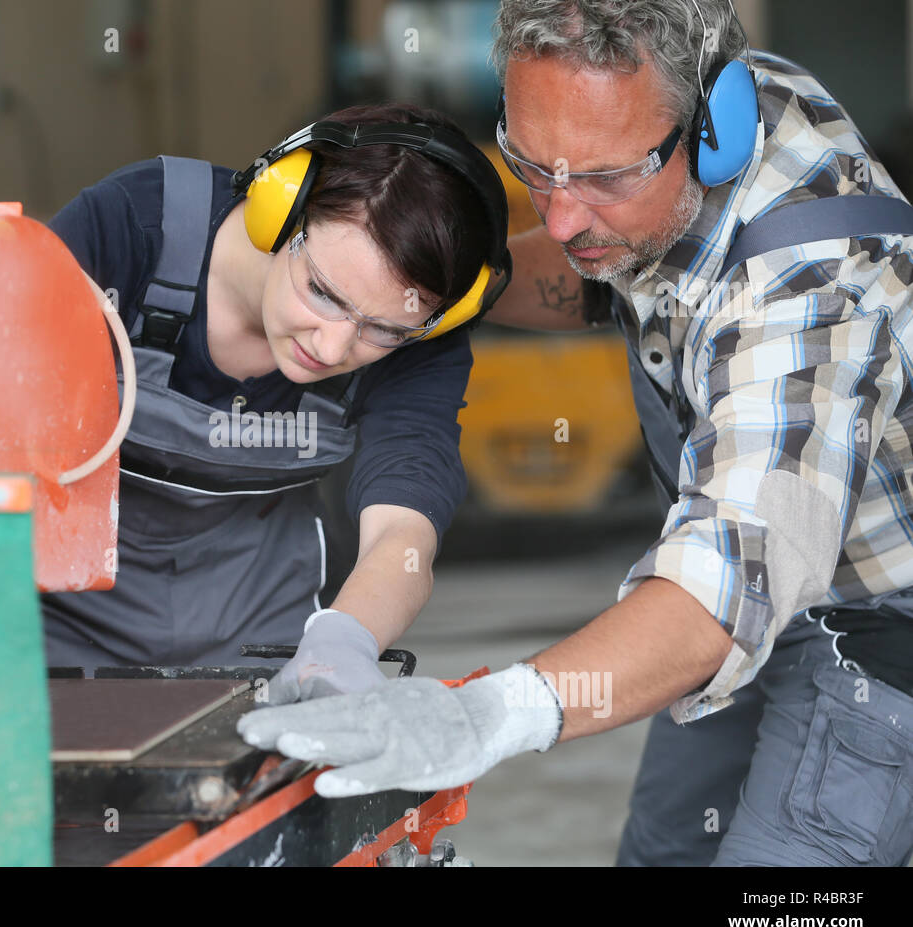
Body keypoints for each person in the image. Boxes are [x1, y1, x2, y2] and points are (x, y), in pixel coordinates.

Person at [240, 0, 913, 866]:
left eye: (602, 177)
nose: (559, 219)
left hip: (874, 637)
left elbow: (719, 589)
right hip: (743, 598)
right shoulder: (669, 148)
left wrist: (483, 716)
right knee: (662, 853)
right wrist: (421, 296)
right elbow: (602, 264)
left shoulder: (814, 293)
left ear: (714, 128)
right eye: (535, 166)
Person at [41, 104, 511, 704]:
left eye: (384, 330)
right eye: (322, 293)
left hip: (261, 660)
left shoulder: (422, 343)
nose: (335, 346)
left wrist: (345, 642)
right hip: (58, 644)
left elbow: (402, 528)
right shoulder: (133, 230)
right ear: (278, 212)